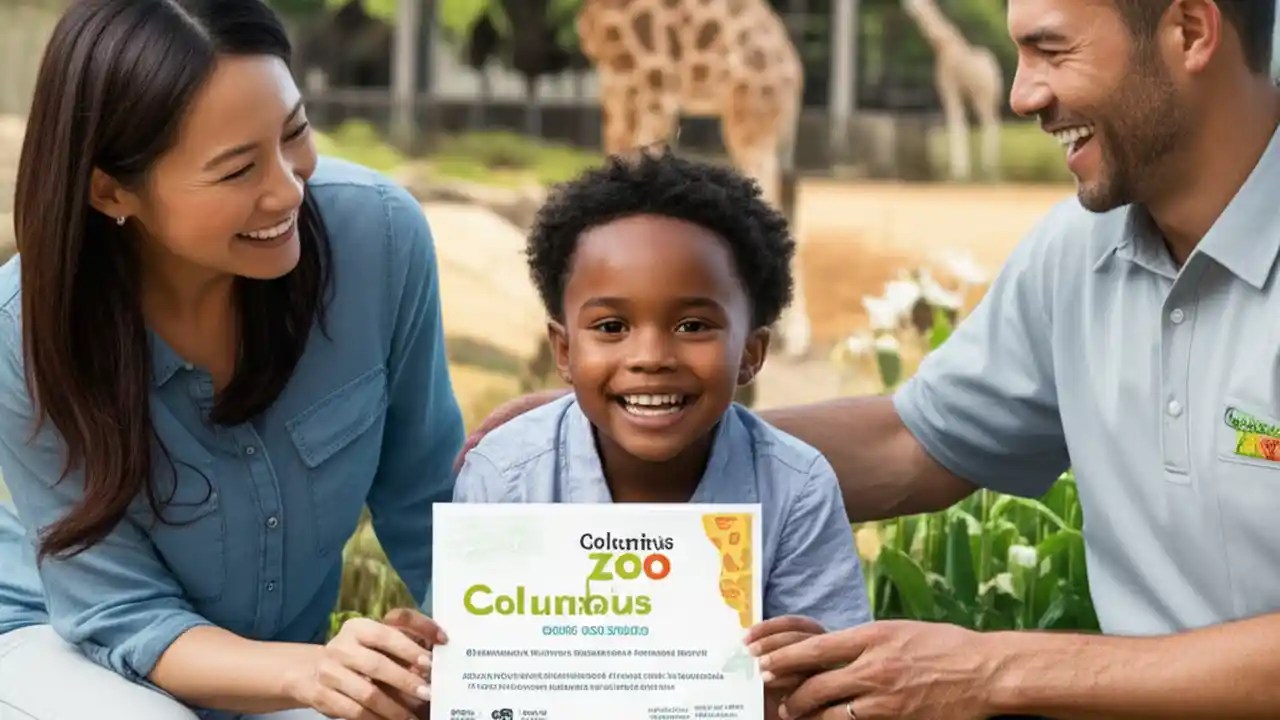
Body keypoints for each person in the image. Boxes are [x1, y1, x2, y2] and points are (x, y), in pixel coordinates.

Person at [464, 0, 1280, 717]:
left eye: (1052, 50)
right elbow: (914, 442)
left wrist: (998, 670)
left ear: (1189, 28)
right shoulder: (1083, 251)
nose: (1022, 93)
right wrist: (654, 433)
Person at [0, 0, 461, 718]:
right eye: (237, 169)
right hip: (54, 637)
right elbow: (118, 613)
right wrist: (307, 675)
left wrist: (441, 653)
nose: (287, 188)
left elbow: (431, 499)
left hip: (275, 669)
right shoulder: (25, 330)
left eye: (295, 132)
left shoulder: (381, 240)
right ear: (111, 190)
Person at [450, 149, 872, 718]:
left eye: (692, 326)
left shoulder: (795, 488)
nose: (650, 357)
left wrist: (799, 689)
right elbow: (475, 683)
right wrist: (431, 675)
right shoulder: (505, 477)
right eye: (611, 327)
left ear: (751, 353)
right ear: (565, 351)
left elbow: (841, 695)